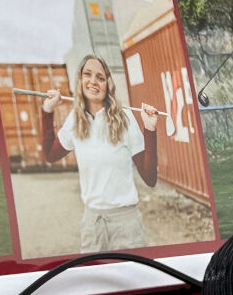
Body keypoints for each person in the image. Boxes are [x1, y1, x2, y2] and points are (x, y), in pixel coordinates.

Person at [42, 53, 160, 251]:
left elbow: (150, 178)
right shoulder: (74, 120)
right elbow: (50, 156)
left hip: (126, 224)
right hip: (92, 223)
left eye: (100, 77)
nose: (93, 82)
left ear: (108, 84)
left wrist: (150, 129)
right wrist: (47, 112)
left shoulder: (125, 118)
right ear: (80, 80)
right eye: (88, 74)